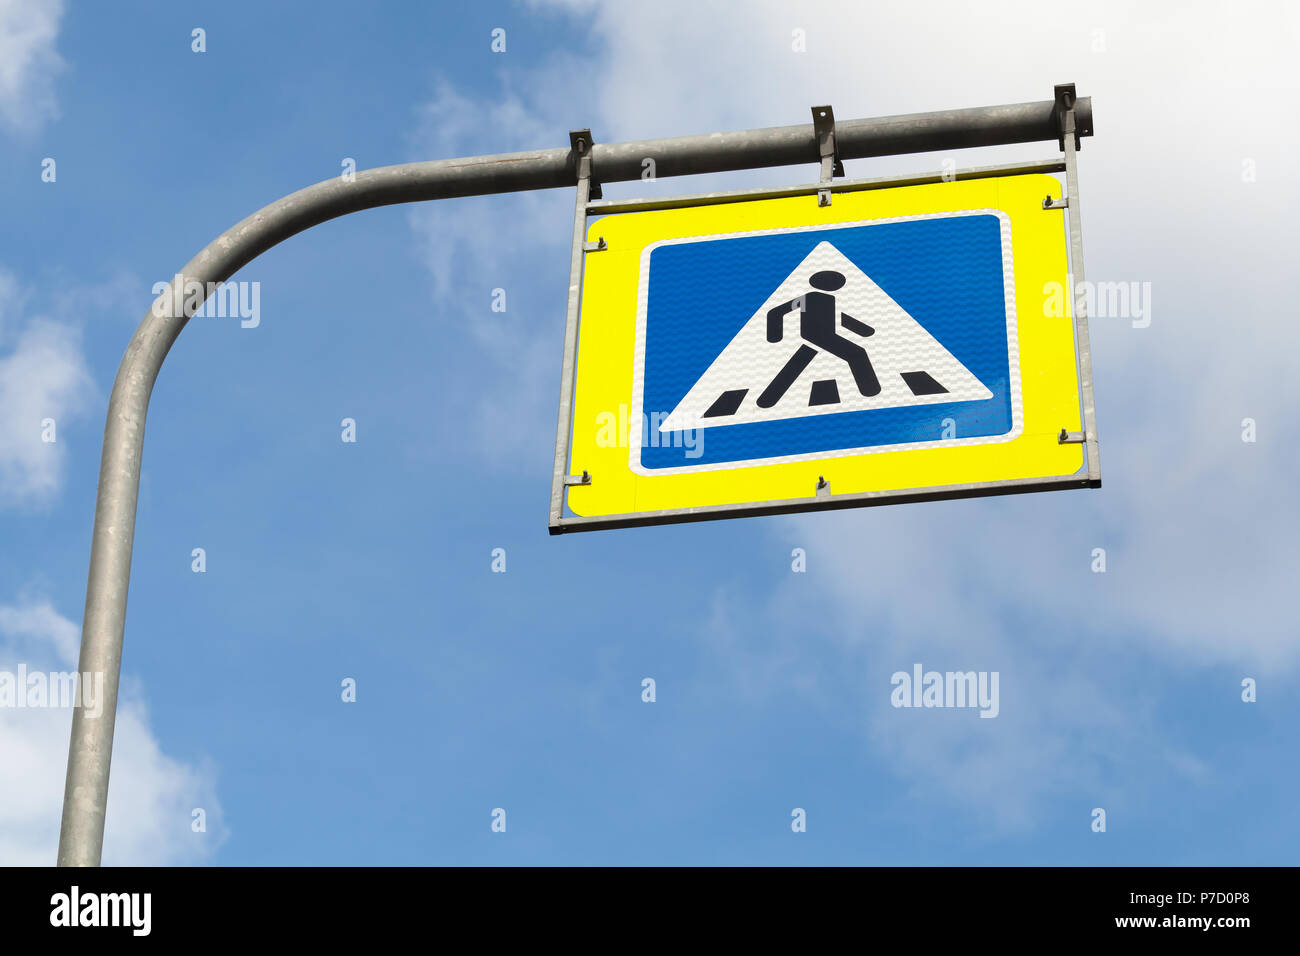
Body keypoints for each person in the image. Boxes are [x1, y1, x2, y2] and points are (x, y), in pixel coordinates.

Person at [757, 270, 880, 408]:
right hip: (816, 335)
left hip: (822, 336)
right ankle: (871, 391)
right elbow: (777, 311)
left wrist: (864, 331)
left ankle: (766, 400)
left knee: (796, 365)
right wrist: (774, 335)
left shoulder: (828, 299)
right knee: (857, 354)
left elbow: (839, 318)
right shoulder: (806, 298)